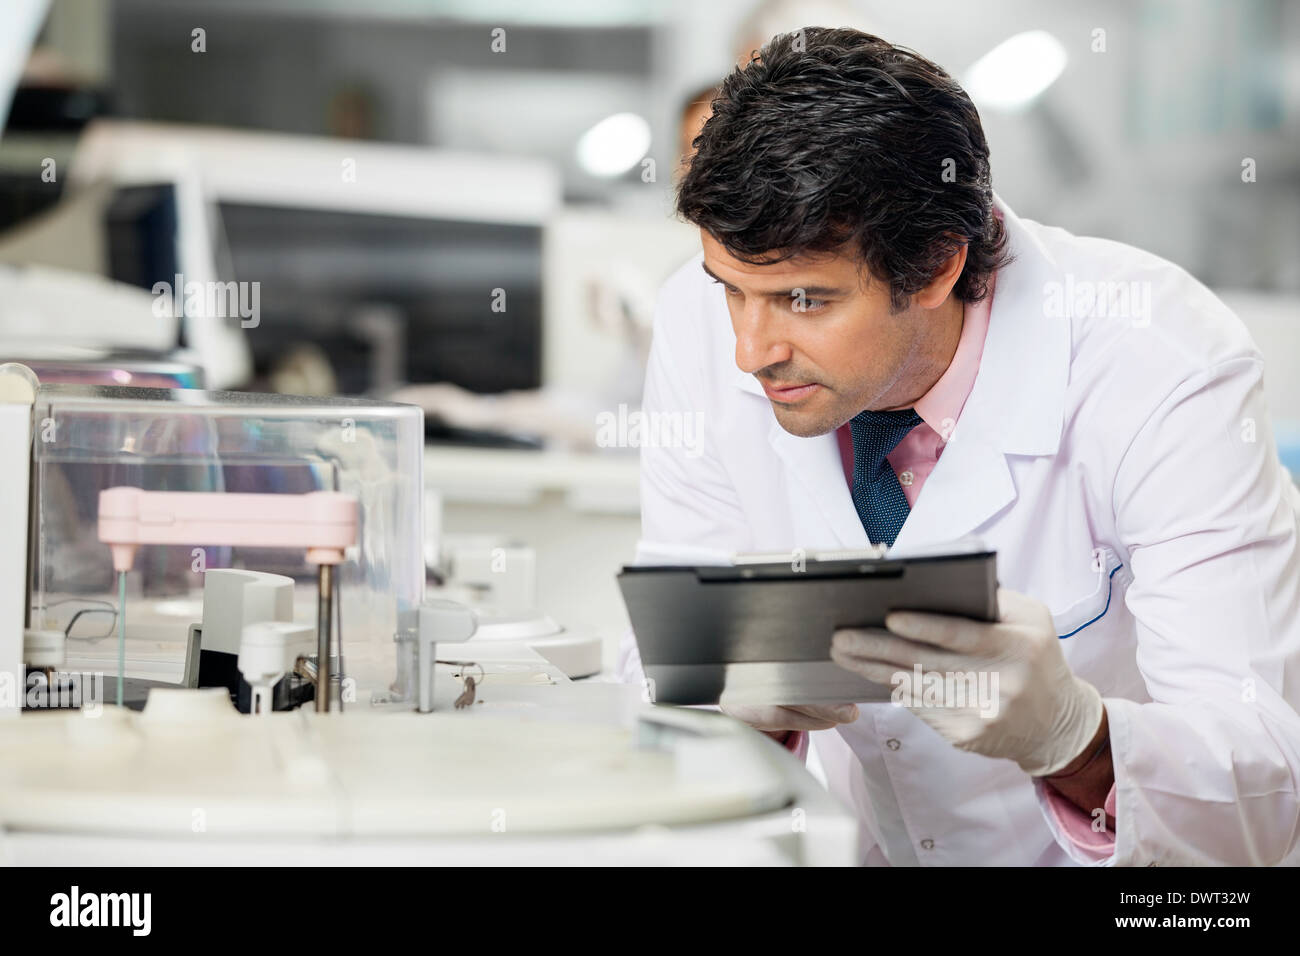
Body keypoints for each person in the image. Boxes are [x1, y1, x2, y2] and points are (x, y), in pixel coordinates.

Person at [619, 27, 1300, 866]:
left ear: (939, 263)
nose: (749, 351)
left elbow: (1266, 792)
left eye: (806, 300)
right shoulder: (697, 314)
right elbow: (663, 649)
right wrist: (734, 699)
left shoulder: (1160, 360)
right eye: (733, 291)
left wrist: (1074, 741)